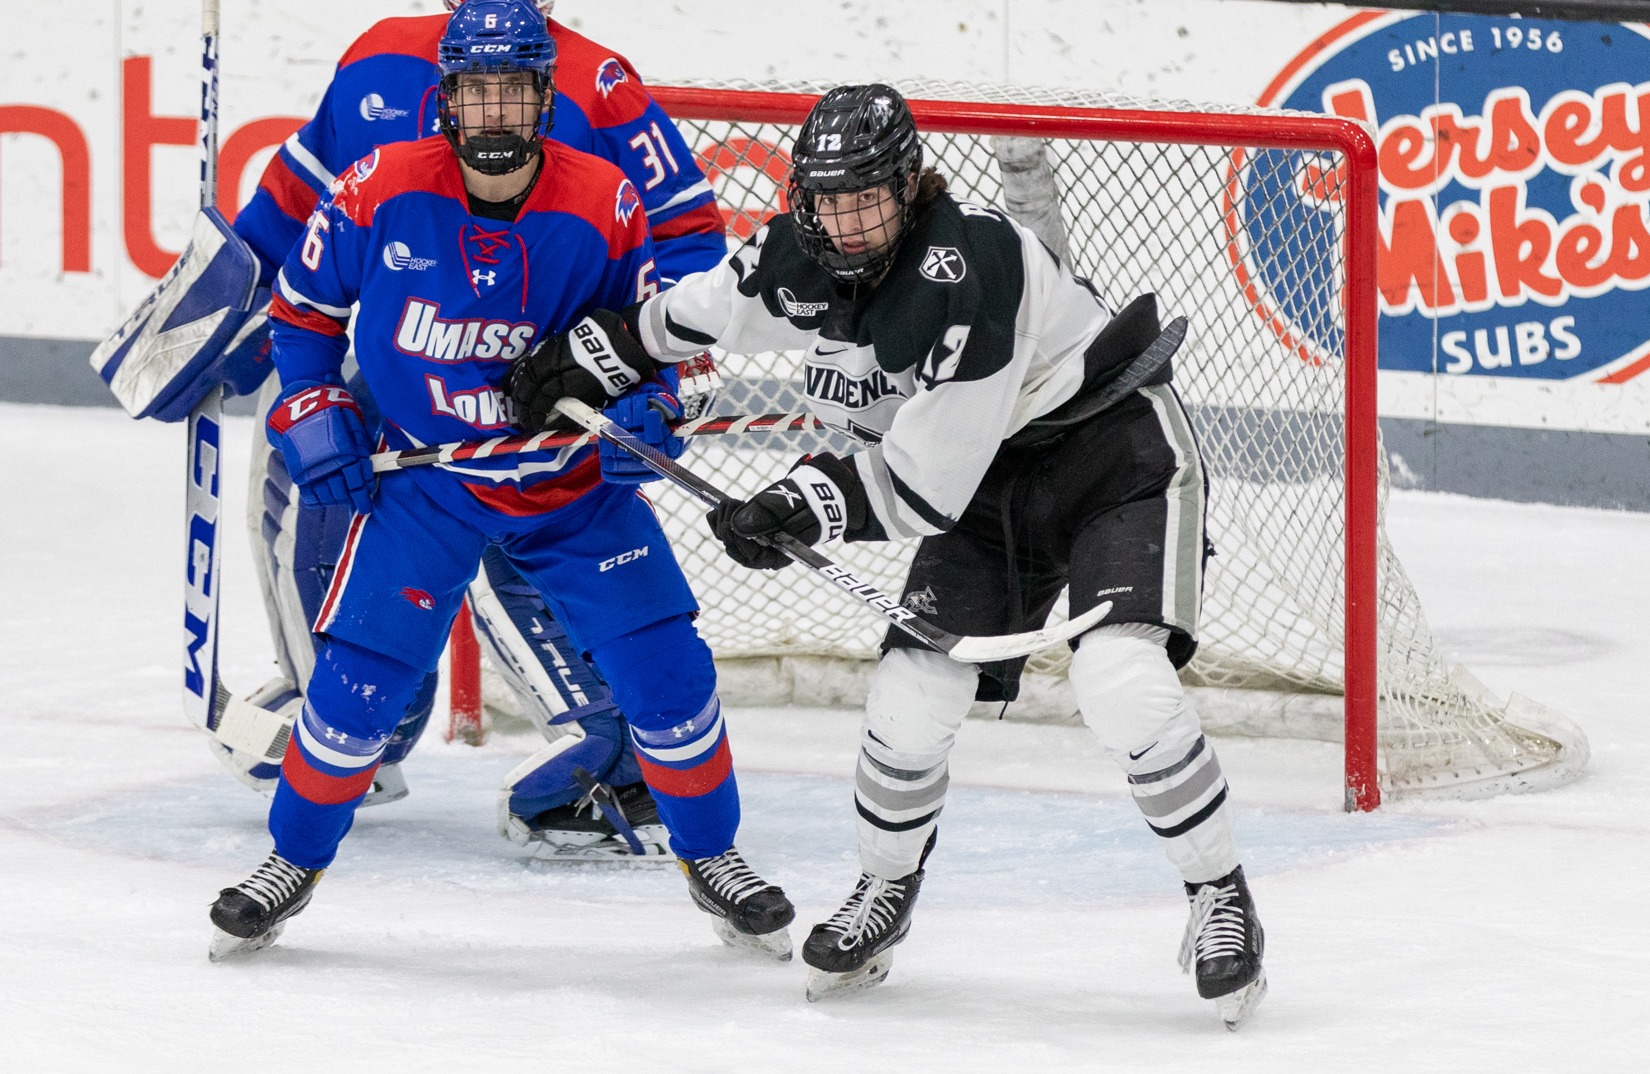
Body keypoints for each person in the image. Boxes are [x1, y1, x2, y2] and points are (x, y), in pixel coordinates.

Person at [507, 84, 1267, 1026]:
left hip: (1111, 459)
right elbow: (704, 312)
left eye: (869, 197)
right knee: (911, 697)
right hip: (990, 484)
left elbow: (919, 488)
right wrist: (607, 349)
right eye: (830, 199)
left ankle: (1218, 894)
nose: (849, 220)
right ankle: (882, 890)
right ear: (802, 197)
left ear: (911, 187)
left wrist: (796, 502)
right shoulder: (796, 252)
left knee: (1120, 678)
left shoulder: (964, 272)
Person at [207, 0, 790, 963]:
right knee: (356, 686)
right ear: (446, 100)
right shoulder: (375, 187)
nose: (492, 115)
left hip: (571, 493)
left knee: (670, 676)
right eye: (473, 94)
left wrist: (654, 410)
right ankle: (290, 865)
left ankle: (713, 859)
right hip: (426, 490)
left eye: (511, 94)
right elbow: (304, 313)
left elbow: (661, 339)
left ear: (543, 98)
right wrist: (311, 408)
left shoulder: (603, 200)